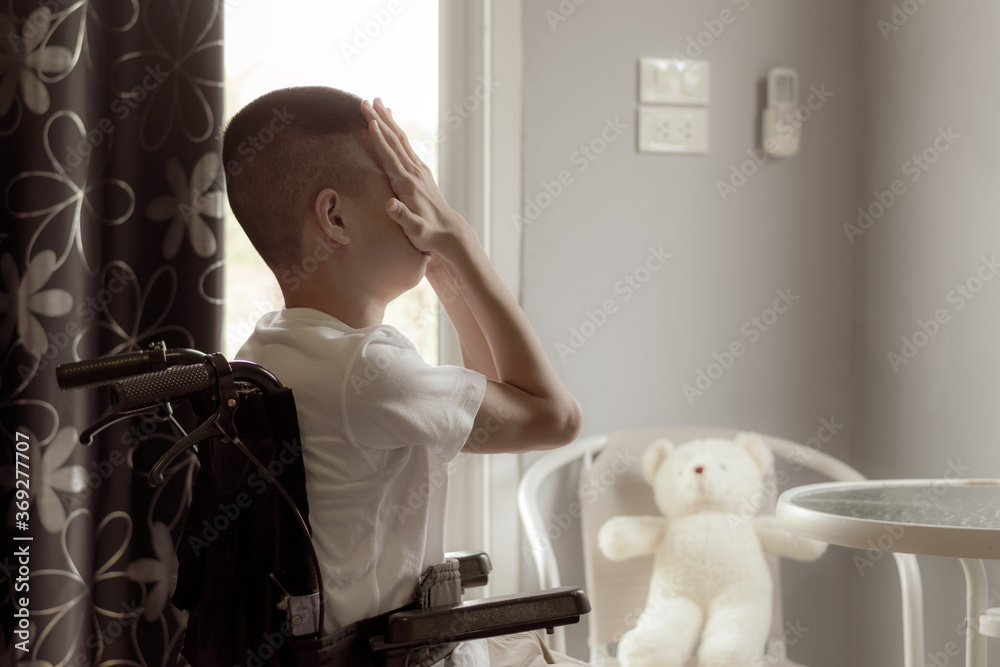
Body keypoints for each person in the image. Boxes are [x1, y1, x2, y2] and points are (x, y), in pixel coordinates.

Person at [223, 85, 588, 666]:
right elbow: (555, 419)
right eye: (404, 189)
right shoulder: (370, 369)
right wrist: (462, 244)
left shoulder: (265, 350)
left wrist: (445, 273)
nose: (426, 211)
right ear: (335, 217)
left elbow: (496, 398)